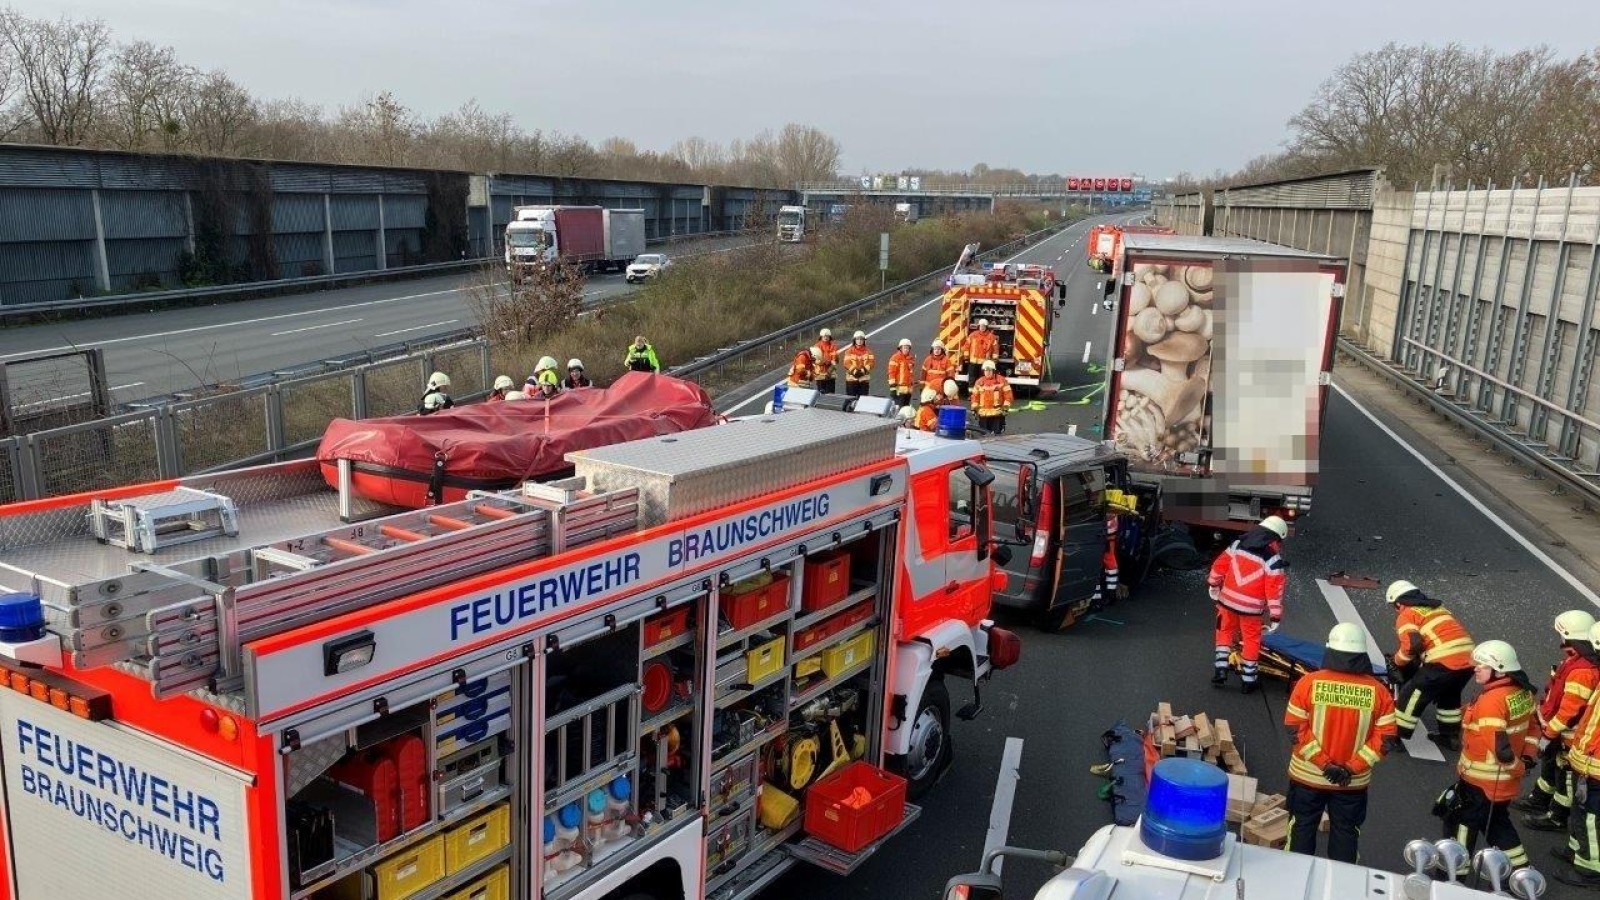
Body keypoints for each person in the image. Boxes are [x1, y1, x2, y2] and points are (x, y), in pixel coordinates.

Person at [1283, 623, 1397, 864]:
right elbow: (1385, 739)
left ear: (1330, 650)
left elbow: (1295, 729)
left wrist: (1324, 764)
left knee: (1302, 826)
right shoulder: (1379, 692)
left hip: (1308, 776)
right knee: (1346, 832)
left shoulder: (1308, 683)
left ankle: (1296, 876)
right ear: (1362, 654)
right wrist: (1350, 768)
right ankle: (1343, 881)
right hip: (1351, 783)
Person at [1437, 640, 1538, 875]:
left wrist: (1517, 767)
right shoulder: (1522, 693)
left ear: (1499, 670)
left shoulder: (1493, 700)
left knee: (1461, 824)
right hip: (1502, 783)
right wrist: (1527, 758)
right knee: (1497, 826)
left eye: (1482, 665)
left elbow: (1500, 748)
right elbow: (1533, 728)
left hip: (1480, 782)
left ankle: (1453, 877)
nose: (1476, 668)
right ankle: (1520, 874)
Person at [1515, 610, 1599, 833]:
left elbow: (1569, 711)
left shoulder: (1582, 671)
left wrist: (1548, 735)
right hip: (1560, 733)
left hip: (1568, 737)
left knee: (1565, 780)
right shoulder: (1576, 661)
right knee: (1552, 769)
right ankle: (1541, 799)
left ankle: (1557, 817)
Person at [1386, 579, 1476, 752]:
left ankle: (1395, 738)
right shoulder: (1438, 609)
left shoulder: (1407, 614)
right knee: (1449, 695)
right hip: (1468, 661)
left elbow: (1412, 645)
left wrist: (1396, 662)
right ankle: (1450, 737)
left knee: (1411, 696)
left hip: (1443, 661)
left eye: (1394, 607)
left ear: (1398, 603)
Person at [1207, 515, 1289, 694]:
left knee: (1224, 632)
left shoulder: (1237, 545)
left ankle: (1220, 669)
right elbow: (1274, 592)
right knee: (1251, 640)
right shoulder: (1273, 561)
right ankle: (1248, 680)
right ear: (1274, 540)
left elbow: (1219, 565)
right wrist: (1275, 616)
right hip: (1251, 610)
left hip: (1226, 602)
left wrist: (1213, 584)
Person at [1554, 621, 1600, 889]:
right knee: (1581, 811)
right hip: (1589, 762)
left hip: (1596, 766)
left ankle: (1591, 870)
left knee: (1592, 819)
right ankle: (1577, 851)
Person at [970, 360, 1014, 434]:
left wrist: (1005, 408)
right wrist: (974, 409)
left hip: (997, 414)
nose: (987, 372)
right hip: (983, 414)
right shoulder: (979, 382)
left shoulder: (1002, 381)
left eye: (989, 370)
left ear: (993, 371)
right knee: (983, 435)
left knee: (996, 436)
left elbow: (1008, 396)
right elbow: (975, 397)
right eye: (986, 370)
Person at [962, 319, 1000, 385]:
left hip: (985, 363)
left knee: (982, 380)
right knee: (972, 379)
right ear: (978, 326)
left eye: (984, 326)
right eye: (981, 326)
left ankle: (981, 391)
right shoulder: (973, 335)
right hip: (973, 362)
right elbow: (966, 346)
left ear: (986, 327)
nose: (982, 327)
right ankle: (971, 391)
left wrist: (995, 359)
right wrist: (966, 357)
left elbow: (995, 349)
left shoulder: (991, 337)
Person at [841, 331, 875, 398]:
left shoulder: (869, 352)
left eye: (861, 339)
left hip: (864, 379)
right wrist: (854, 371)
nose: (859, 341)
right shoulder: (849, 351)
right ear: (854, 340)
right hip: (851, 379)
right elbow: (846, 363)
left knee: (863, 400)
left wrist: (863, 370)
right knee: (850, 400)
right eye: (857, 339)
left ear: (864, 340)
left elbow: (872, 363)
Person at [887, 338, 916, 409]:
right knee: (899, 410)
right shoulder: (895, 358)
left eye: (908, 348)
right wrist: (892, 388)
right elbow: (891, 373)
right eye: (904, 348)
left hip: (908, 390)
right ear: (900, 348)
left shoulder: (911, 359)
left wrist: (912, 385)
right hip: (899, 390)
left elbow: (911, 374)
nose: (906, 349)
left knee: (906, 409)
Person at [814, 328, 839, 394]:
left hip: (831, 373)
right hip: (820, 373)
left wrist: (833, 362)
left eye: (827, 336)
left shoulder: (833, 346)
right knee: (821, 393)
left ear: (830, 337)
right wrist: (826, 361)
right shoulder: (816, 346)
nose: (826, 338)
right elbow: (815, 360)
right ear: (821, 336)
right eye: (824, 336)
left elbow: (835, 359)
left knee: (831, 393)